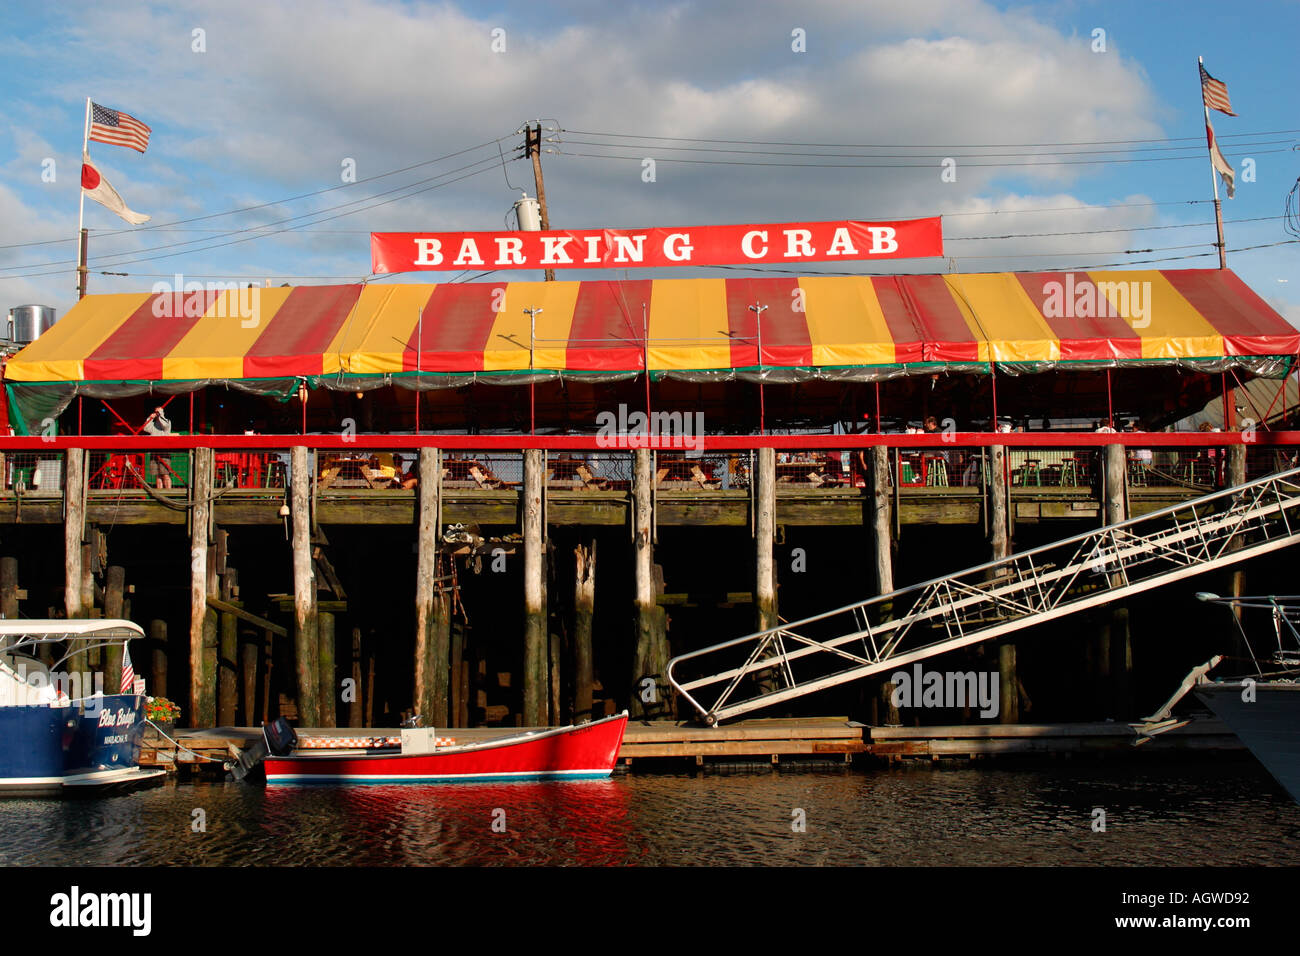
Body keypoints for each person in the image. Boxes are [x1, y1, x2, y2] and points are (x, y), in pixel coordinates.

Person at [142, 407, 173, 489]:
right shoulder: (154, 424)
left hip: (164, 452)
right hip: (154, 451)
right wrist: (150, 418)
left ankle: (168, 492)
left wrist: (160, 414)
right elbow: (145, 428)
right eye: (155, 411)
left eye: (158, 411)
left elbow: (164, 425)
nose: (157, 413)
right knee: (157, 475)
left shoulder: (167, 422)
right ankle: (160, 493)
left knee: (165, 474)